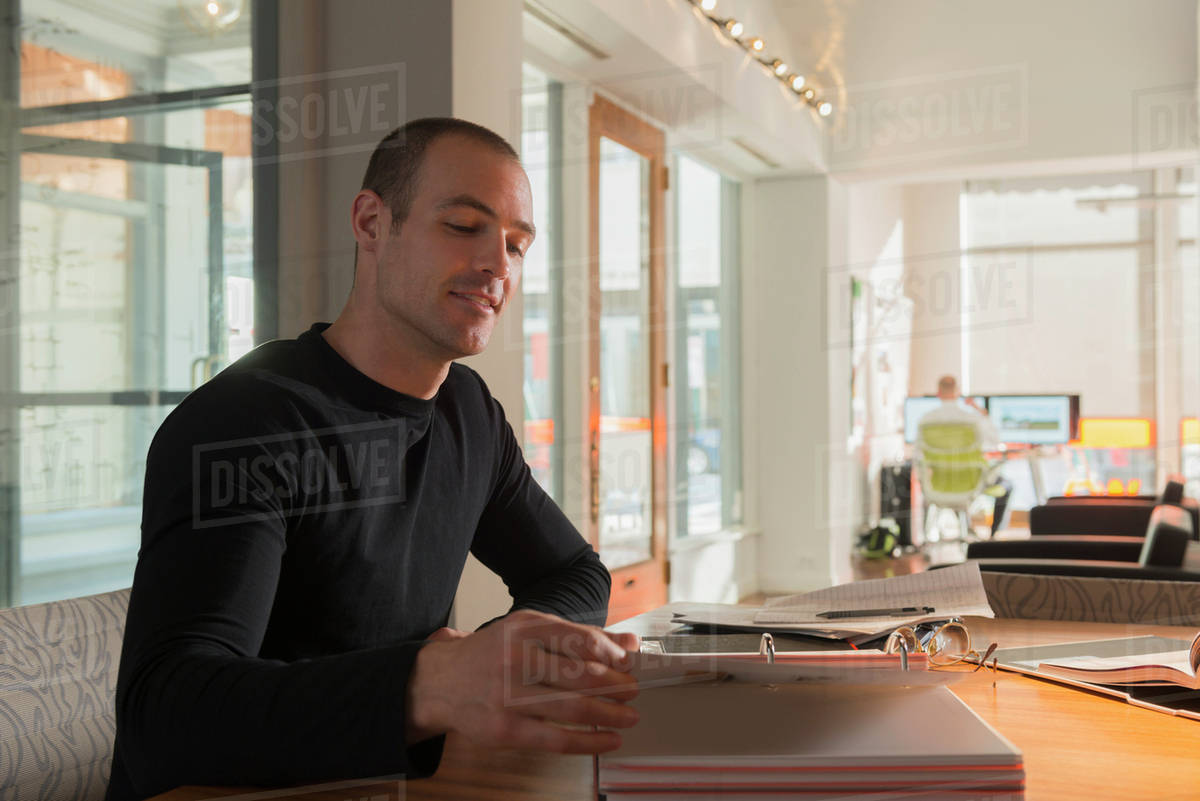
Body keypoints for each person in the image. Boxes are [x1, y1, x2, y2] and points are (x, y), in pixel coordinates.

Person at [104, 118, 641, 801]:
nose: (498, 266)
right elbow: (169, 715)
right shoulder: (244, 422)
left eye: (515, 243)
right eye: (463, 225)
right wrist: (433, 679)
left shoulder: (469, 411)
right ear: (370, 222)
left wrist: (498, 656)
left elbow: (574, 572)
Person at [918, 375, 1012, 537]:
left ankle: (927, 537)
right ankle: (993, 537)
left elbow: (918, 457)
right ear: (958, 393)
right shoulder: (973, 420)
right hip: (971, 487)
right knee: (1008, 485)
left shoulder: (925, 420)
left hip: (938, 486)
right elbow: (995, 442)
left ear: (938, 393)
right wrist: (980, 411)